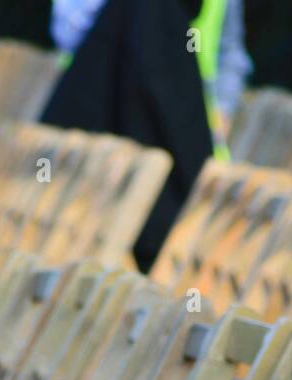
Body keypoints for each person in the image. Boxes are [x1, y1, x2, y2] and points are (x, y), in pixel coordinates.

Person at [43, 0, 253, 269]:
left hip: (184, 129)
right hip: (105, 116)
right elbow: (68, 29)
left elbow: (230, 51)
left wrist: (221, 110)